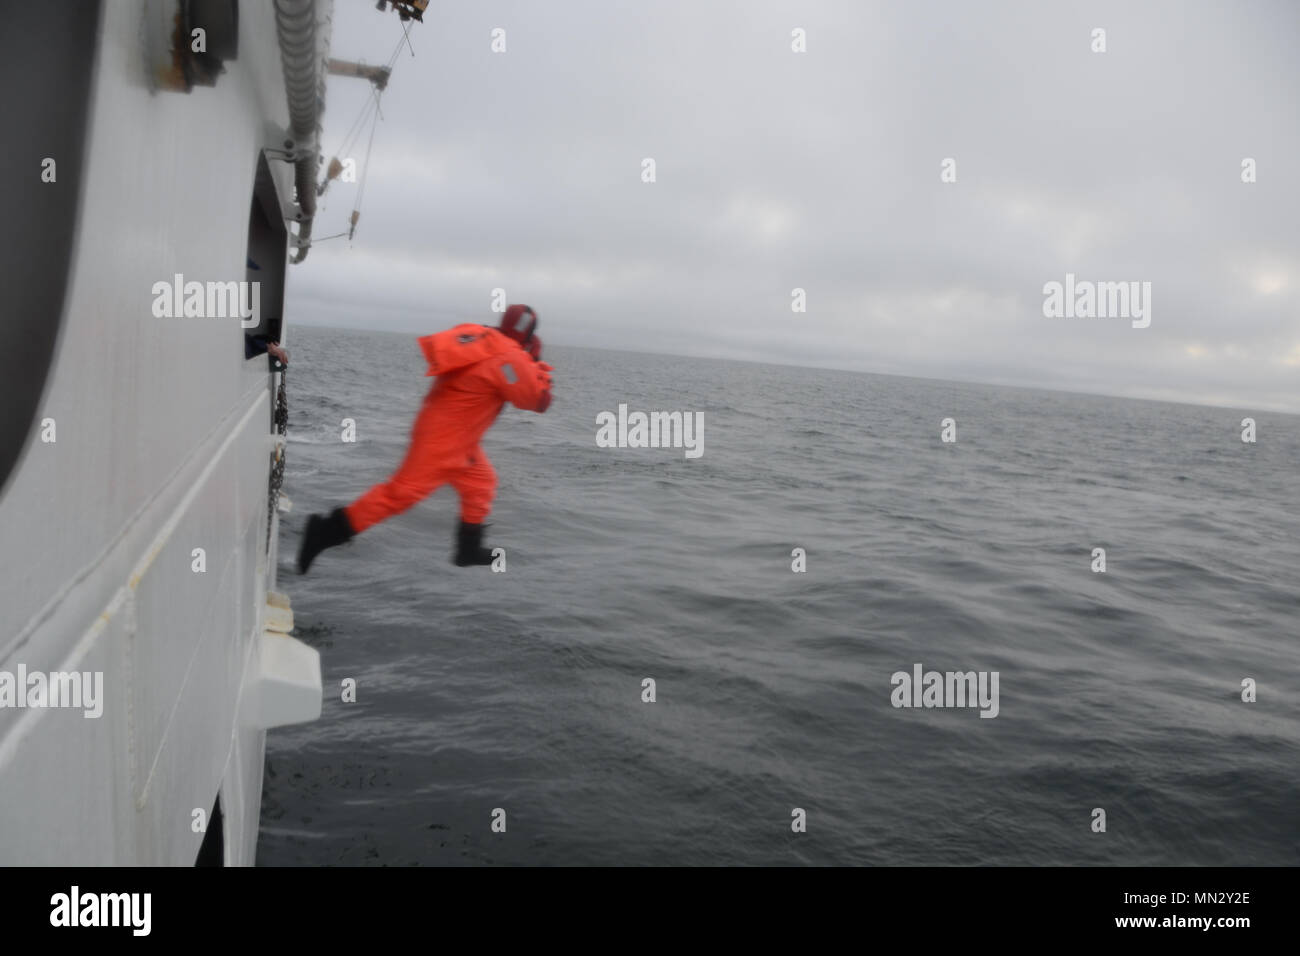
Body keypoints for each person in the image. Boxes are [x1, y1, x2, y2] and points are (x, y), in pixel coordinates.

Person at [296, 305, 553, 573]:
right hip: (442, 442)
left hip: (454, 438)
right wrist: (535, 362)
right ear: (529, 333)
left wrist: (525, 358)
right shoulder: (508, 357)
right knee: (397, 496)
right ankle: (323, 532)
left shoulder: (484, 338)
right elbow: (539, 400)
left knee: (481, 482)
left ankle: (468, 548)